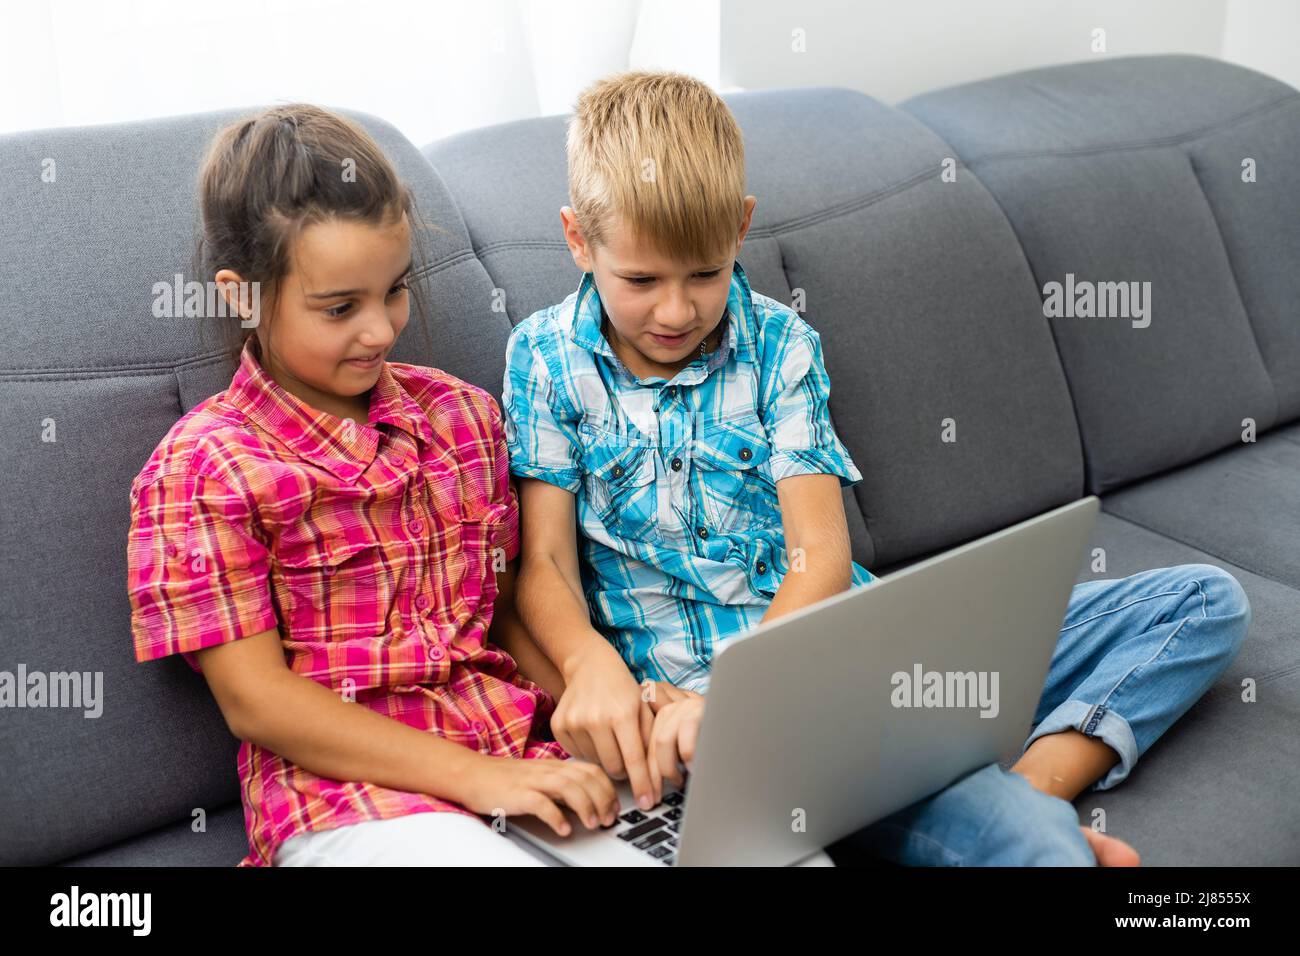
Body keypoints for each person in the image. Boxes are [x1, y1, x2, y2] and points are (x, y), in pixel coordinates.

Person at [503, 70, 1252, 865]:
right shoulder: (544, 361)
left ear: (742, 230)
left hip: (859, 649)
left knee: (1203, 600)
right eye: (641, 281)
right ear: (579, 240)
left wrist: (761, 684)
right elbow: (544, 562)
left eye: (705, 273)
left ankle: (1036, 784)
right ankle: (1021, 825)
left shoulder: (777, 342)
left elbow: (820, 557)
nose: (678, 311)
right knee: (1027, 848)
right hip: (721, 711)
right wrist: (608, 673)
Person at [126, 104, 618, 867]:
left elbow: (501, 619)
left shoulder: (462, 417)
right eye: (339, 308)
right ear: (243, 296)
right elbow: (256, 701)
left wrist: (610, 712)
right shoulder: (204, 468)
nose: (382, 330)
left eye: (394, 290)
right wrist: (478, 779)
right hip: (344, 802)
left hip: (517, 759)